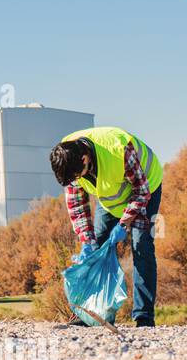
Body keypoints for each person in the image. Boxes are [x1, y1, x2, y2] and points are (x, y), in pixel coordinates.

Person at [49, 127, 164, 327]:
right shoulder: (68, 159)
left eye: (76, 177)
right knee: (96, 248)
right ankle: (90, 315)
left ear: (85, 159)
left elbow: (141, 192)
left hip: (146, 188)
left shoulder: (117, 151)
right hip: (111, 196)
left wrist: (124, 223)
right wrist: (86, 241)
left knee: (141, 246)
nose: (76, 181)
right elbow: (77, 205)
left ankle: (144, 318)